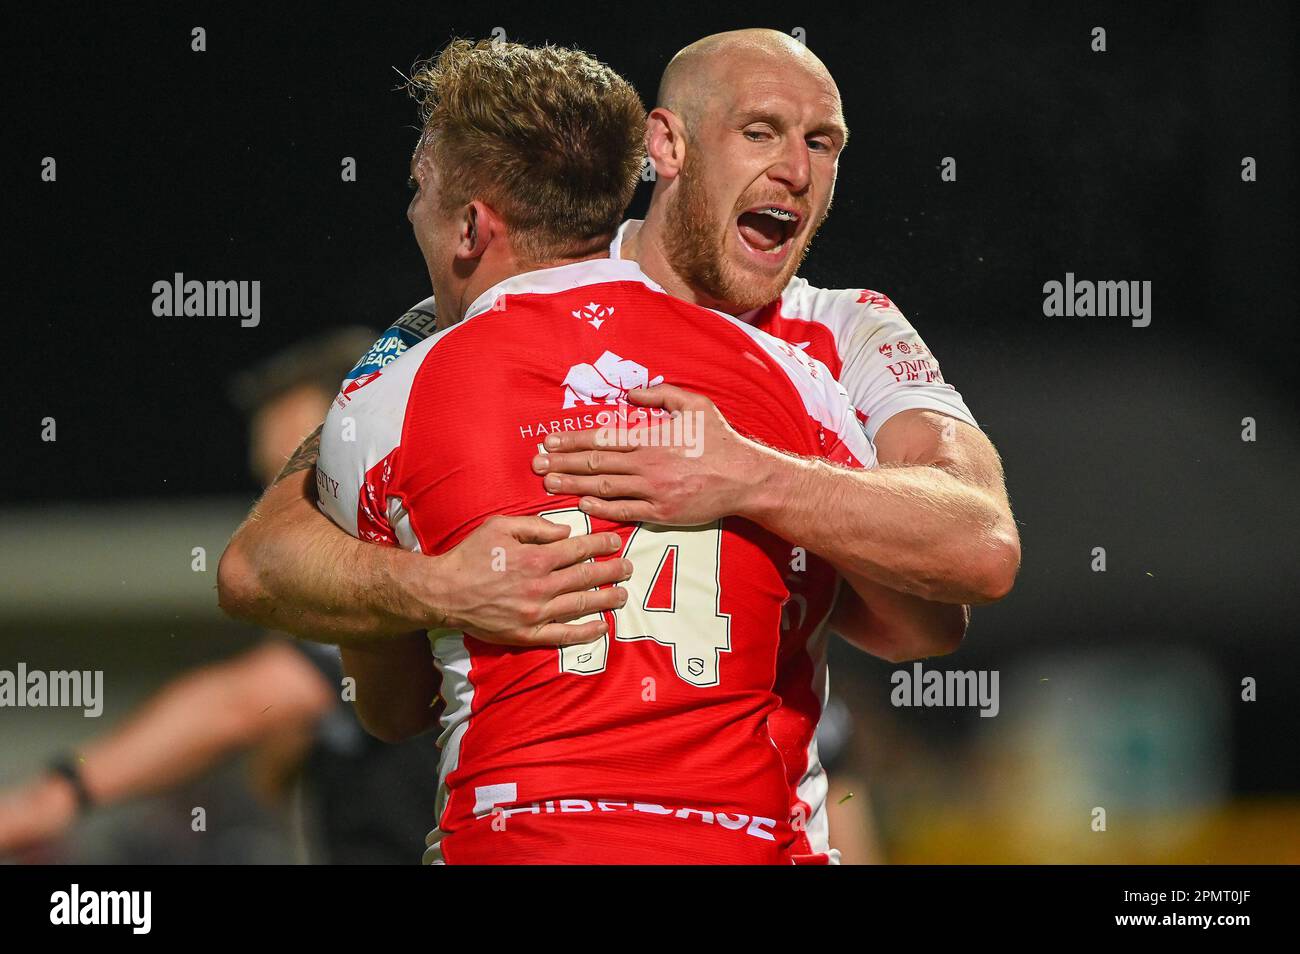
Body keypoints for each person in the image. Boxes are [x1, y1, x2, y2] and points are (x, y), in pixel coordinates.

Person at [218, 29, 1016, 862]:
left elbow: (968, 561)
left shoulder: (841, 333)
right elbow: (271, 545)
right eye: (760, 132)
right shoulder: (484, 306)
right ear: (665, 145)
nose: (796, 169)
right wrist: (441, 585)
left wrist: (754, 479)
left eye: (823, 143)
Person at [0, 330, 438, 864]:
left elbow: (242, 701)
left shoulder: (408, 554)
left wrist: (55, 797)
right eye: (269, 486)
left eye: (308, 485)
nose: (279, 518)